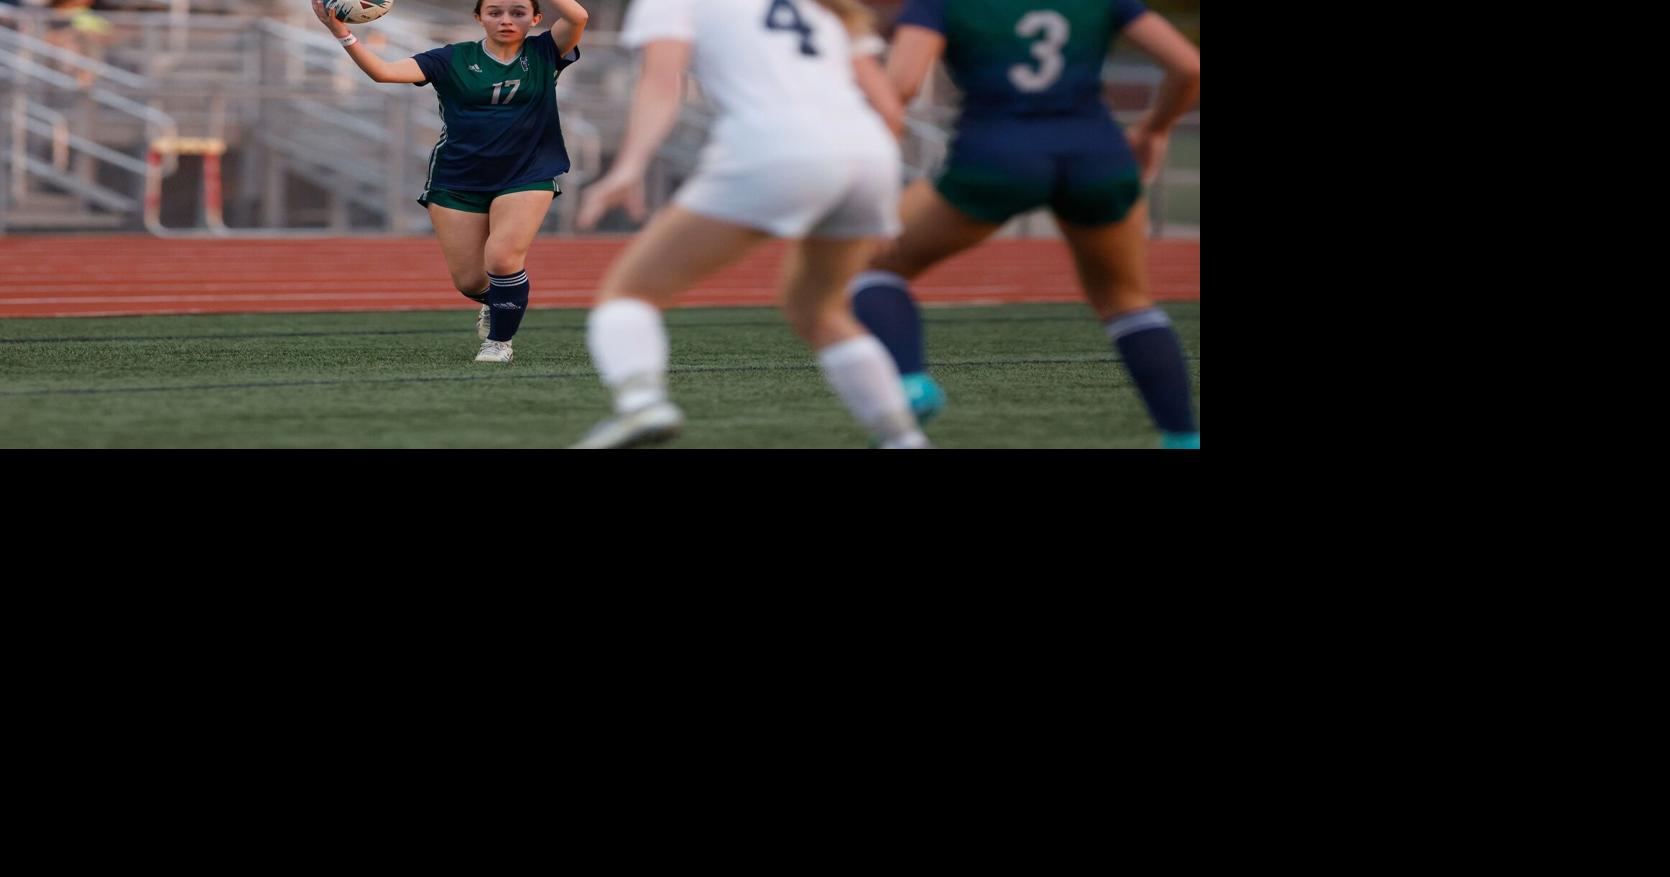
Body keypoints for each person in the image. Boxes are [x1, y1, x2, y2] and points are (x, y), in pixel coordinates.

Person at [569, 0, 927, 449]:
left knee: (629, 293)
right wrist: (878, 194)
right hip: (869, 154)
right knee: (821, 311)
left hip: (773, 148)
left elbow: (663, 83)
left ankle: (642, 404)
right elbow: (890, 109)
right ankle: (904, 439)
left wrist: (629, 166)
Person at [851, 0, 1202, 448]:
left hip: (996, 157)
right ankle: (1184, 437)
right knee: (1127, 301)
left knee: (872, 265)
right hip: (1096, 155)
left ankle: (908, 383)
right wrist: (1154, 129)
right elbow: (1189, 66)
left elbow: (900, 86)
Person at [312, 0, 589, 363]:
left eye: (518, 12)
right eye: (494, 12)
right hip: (458, 176)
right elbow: (383, 72)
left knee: (503, 257)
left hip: (527, 172)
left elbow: (578, 16)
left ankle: (498, 342)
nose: (506, 20)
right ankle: (497, 301)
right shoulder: (451, 59)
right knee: (470, 282)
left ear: (536, 18)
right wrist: (341, 32)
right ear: (478, 18)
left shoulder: (545, 50)